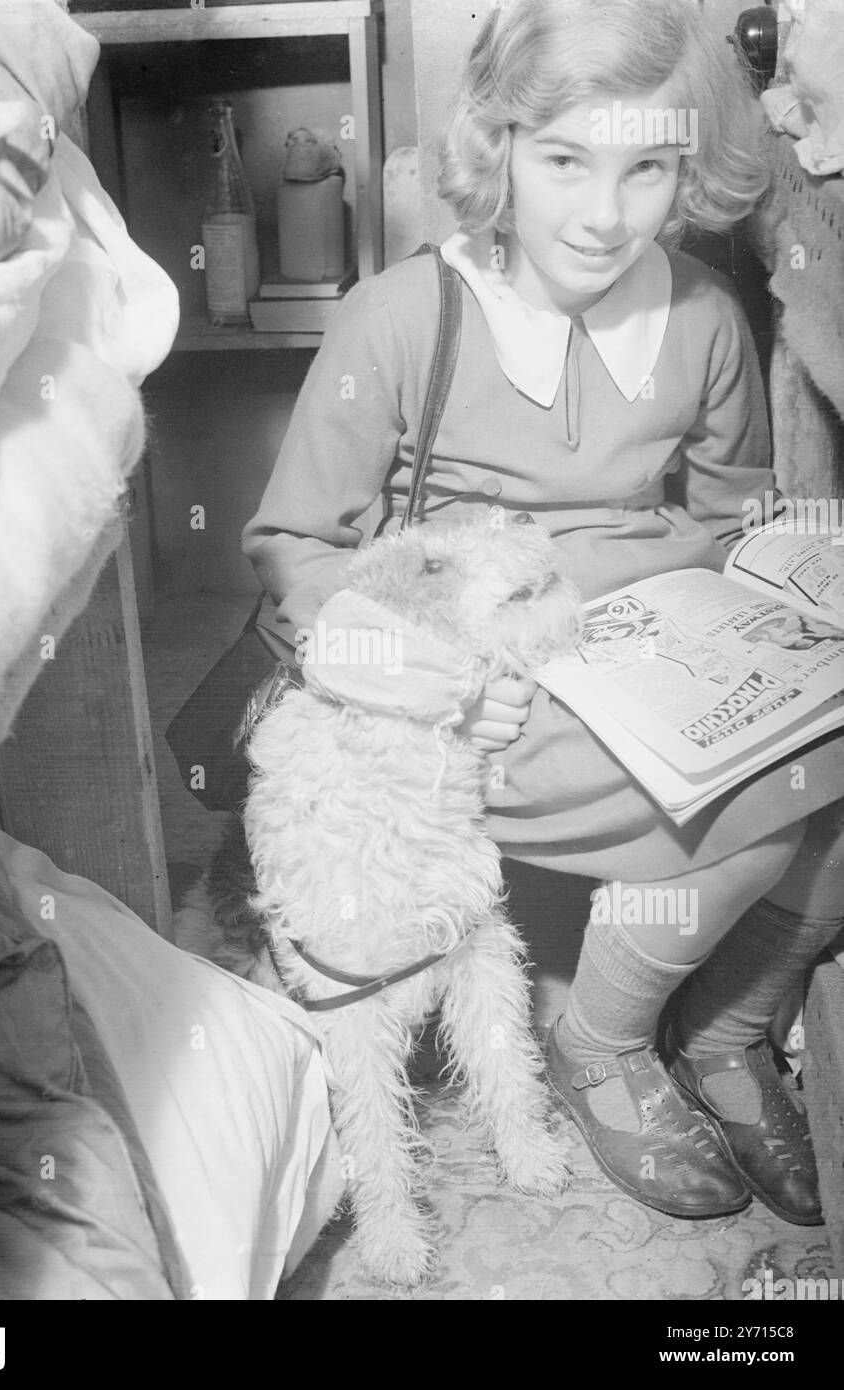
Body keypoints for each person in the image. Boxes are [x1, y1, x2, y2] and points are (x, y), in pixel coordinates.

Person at [241, 0, 844, 1225]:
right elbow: (295, 545)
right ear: (499, 149)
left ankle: (728, 1032)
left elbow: (736, 525)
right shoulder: (404, 317)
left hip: (658, 656)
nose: (603, 212)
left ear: (689, 168)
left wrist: (783, 602)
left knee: (823, 755)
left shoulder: (704, 319)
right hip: (483, 687)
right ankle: (601, 1040)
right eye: (565, 159)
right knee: (774, 805)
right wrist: (428, 680)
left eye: (647, 168)